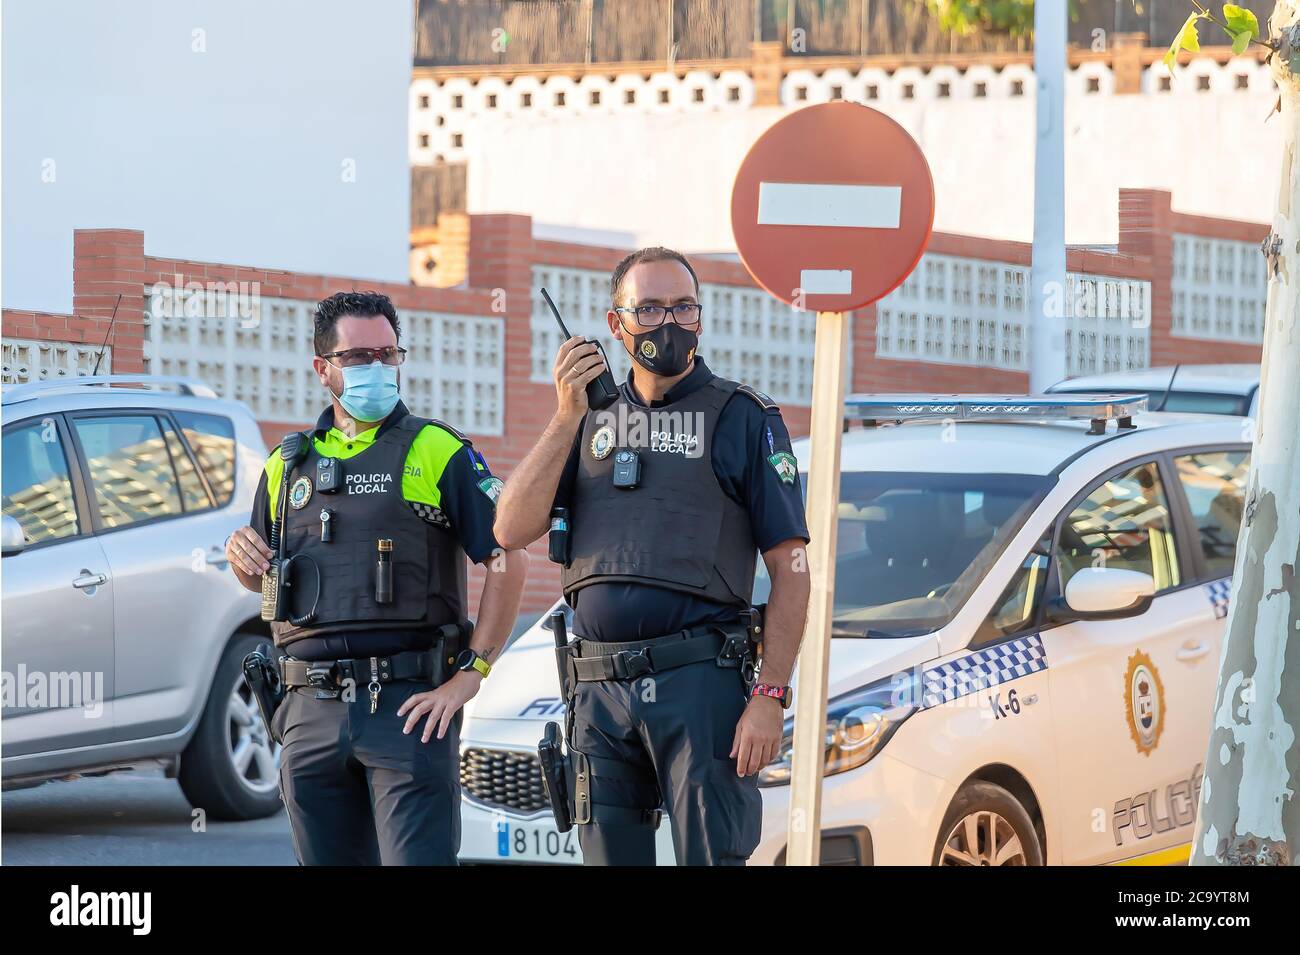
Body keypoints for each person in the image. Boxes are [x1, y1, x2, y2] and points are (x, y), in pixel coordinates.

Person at [495, 248, 810, 865]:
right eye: (650, 309)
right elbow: (509, 528)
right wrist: (566, 417)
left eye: (683, 306)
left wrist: (770, 695)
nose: (669, 322)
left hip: (700, 685)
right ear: (616, 326)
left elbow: (791, 571)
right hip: (597, 694)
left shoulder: (744, 418)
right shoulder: (585, 418)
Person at [225, 290, 528, 865]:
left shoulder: (434, 449)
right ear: (324, 369)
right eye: (360, 356)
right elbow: (265, 581)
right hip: (307, 710)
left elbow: (509, 559)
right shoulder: (287, 464)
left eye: (389, 355)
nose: (379, 369)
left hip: (408, 707)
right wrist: (244, 562)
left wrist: (472, 674)